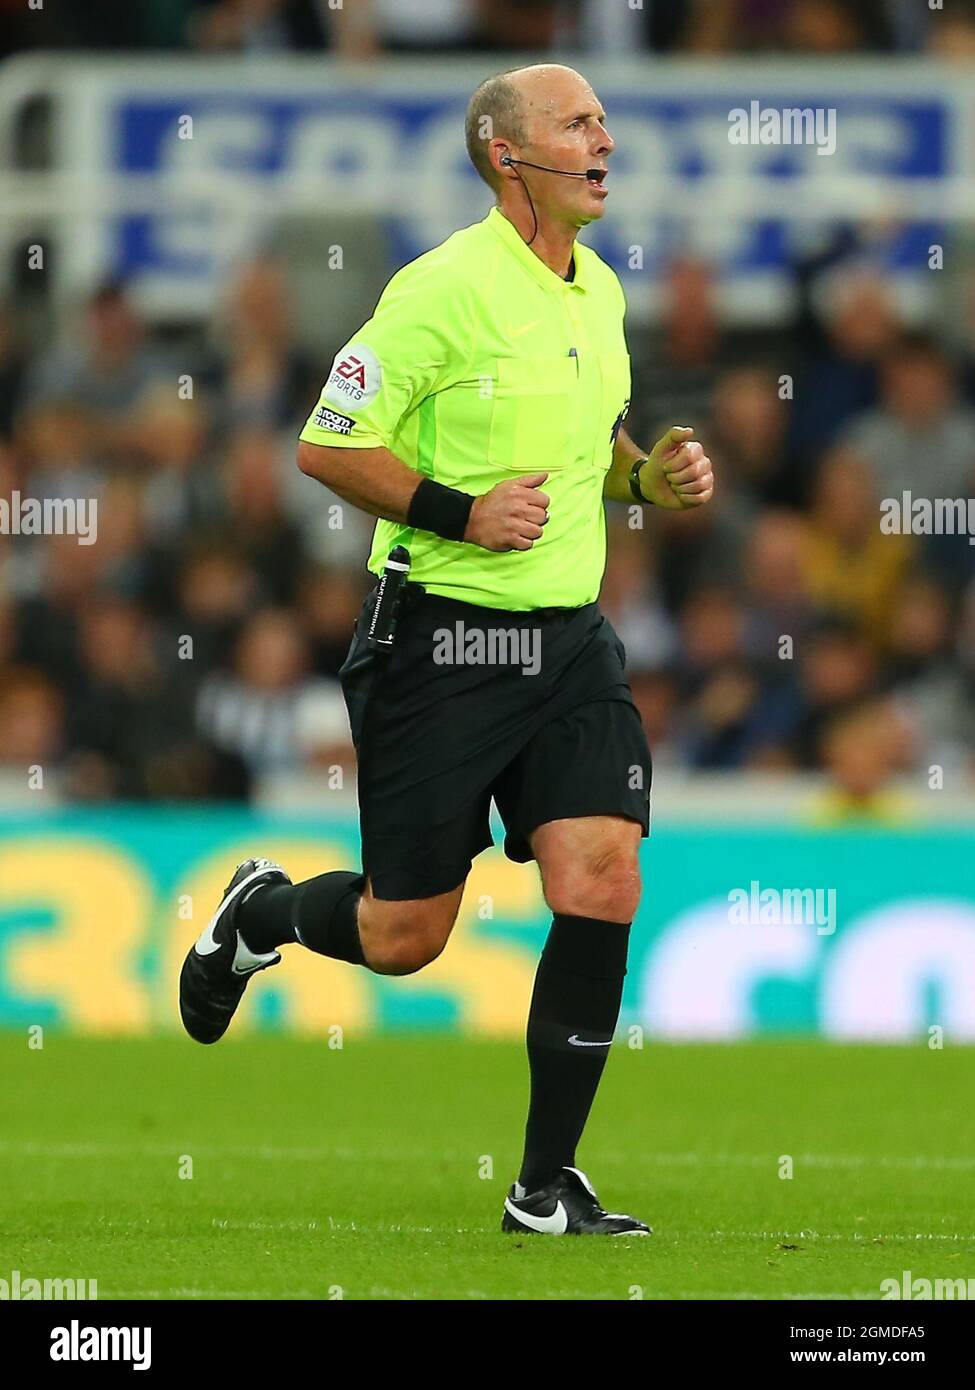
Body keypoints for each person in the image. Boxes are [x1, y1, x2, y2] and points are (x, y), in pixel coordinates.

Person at [179, 63, 714, 1236]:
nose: (604, 138)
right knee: (404, 934)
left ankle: (544, 1185)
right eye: (577, 123)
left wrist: (648, 479)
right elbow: (328, 441)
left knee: (603, 872)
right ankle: (259, 915)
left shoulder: (599, 294)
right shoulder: (439, 290)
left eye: (604, 121)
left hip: (569, 640)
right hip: (442, 641)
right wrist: (459, 510)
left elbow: (597, 451)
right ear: (507, 156)